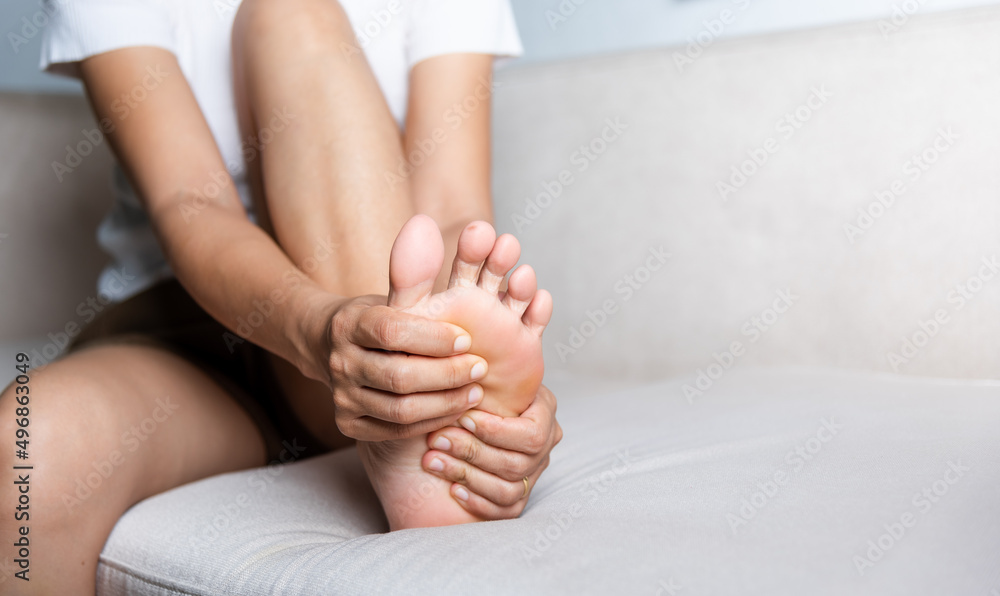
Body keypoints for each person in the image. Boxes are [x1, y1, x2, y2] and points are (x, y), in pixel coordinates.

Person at [0, 0, 562, 592]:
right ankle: (408, 417)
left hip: (364, 323)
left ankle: (414, 420)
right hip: (190, 341)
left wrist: (471, 389)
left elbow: (453, 214)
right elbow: (191, 202)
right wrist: (320, 331)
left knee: (291, 13)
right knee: (25, 452)